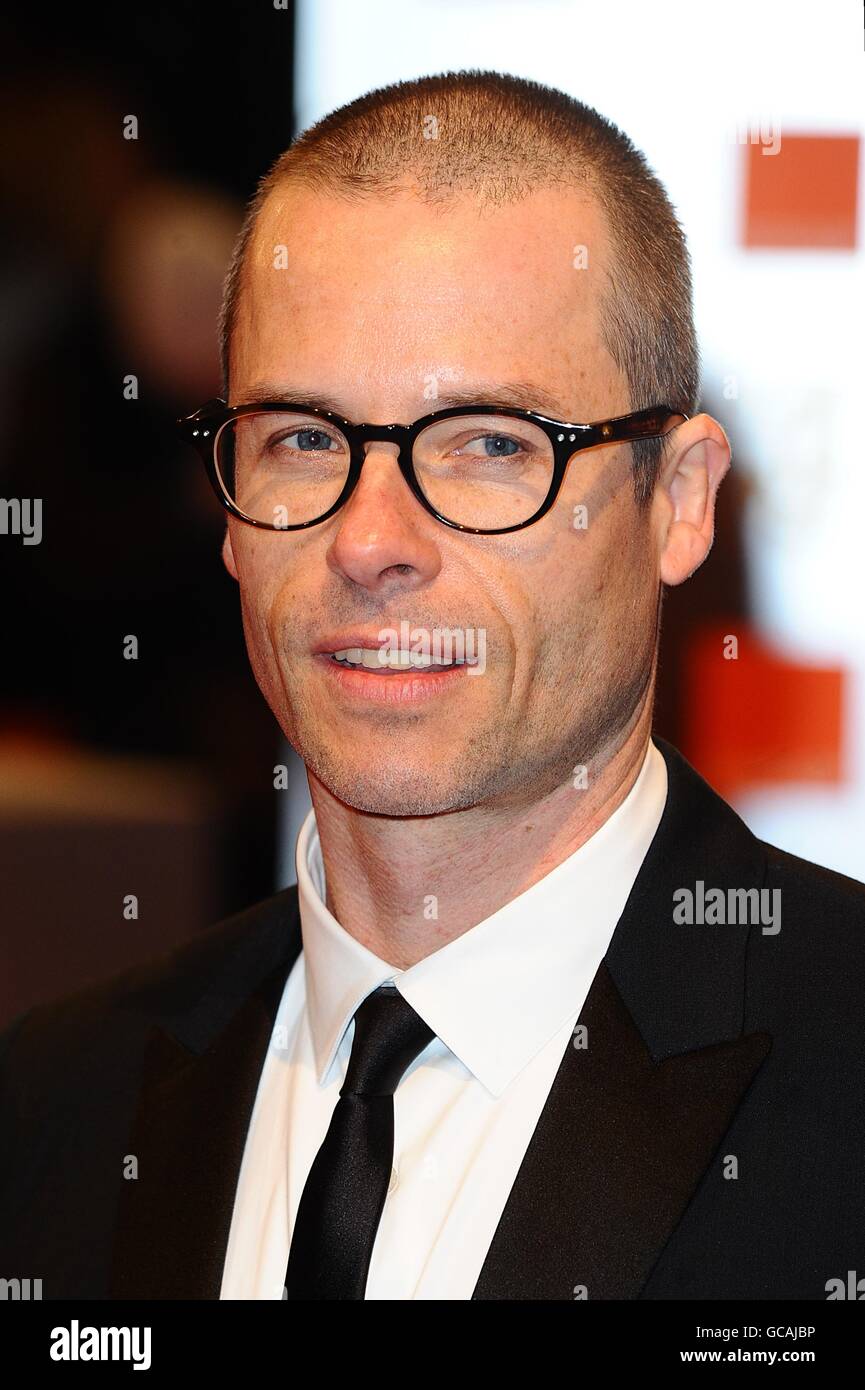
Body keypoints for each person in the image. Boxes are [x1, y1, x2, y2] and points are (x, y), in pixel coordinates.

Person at [2, 70, 863, 1302]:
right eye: (305, 437)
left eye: (490, 446)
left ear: (676, 501)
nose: (370, 540)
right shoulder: (52, 1107)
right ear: (230, 514)